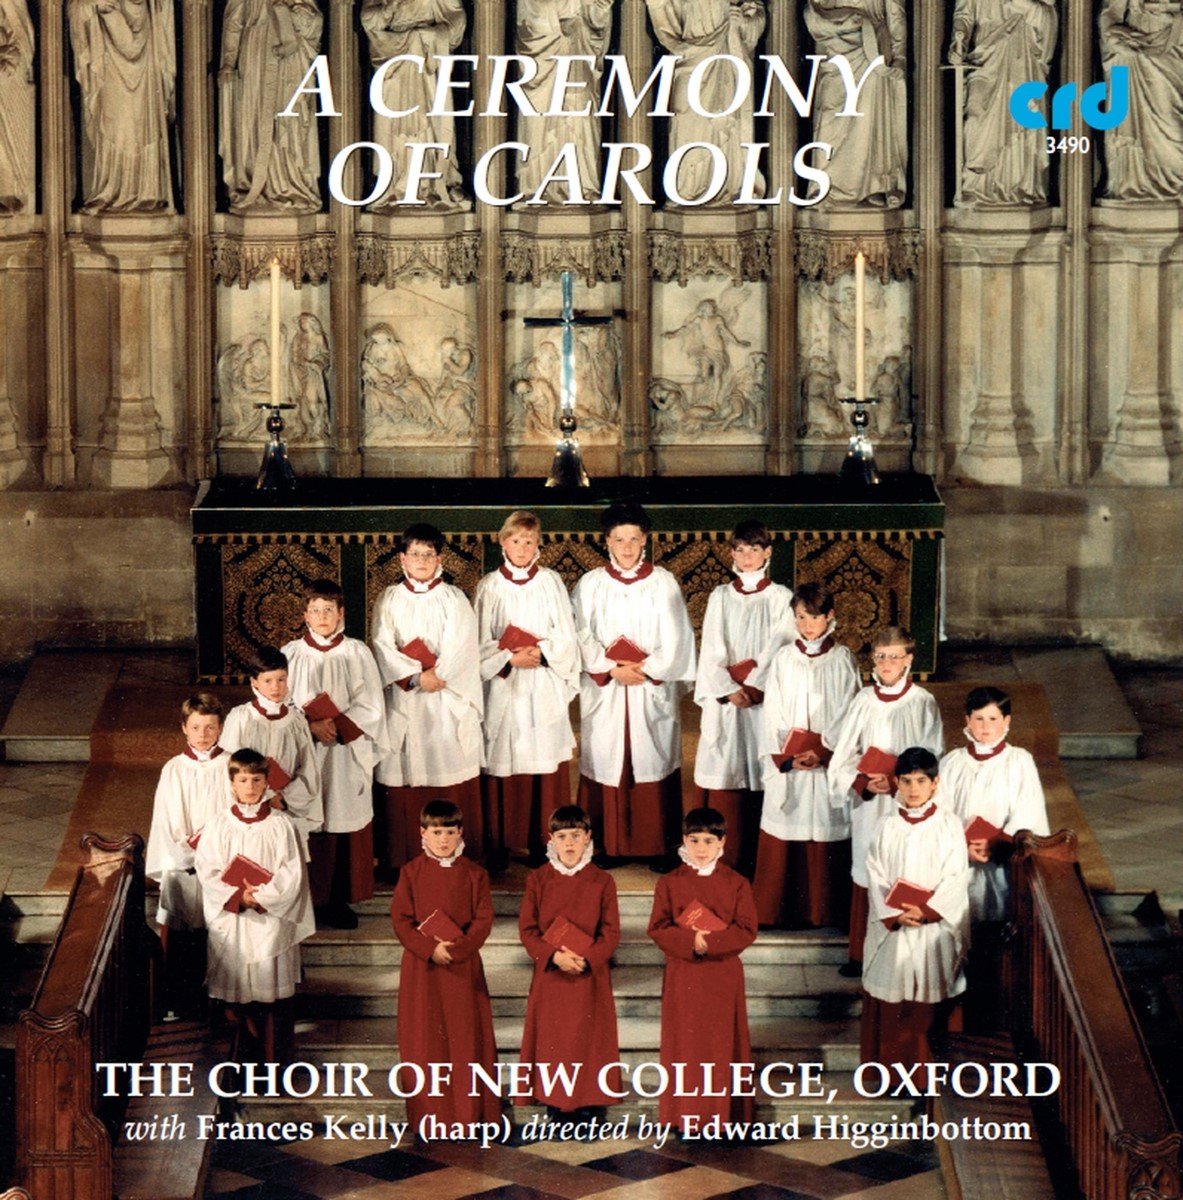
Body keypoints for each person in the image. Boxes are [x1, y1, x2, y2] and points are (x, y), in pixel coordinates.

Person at [572, 501, 696, 863]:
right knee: (606, 756)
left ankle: (657, 844)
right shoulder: (591, 584)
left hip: (647, 686)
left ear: (645, 540)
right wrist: (611, 669)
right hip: (607, 687)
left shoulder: (663, 583)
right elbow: (578, 633)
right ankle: (606, 844)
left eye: (633, 538)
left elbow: (678, 638)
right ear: (606, 541)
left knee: (650, 755)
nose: (626, 547)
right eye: (618, 539)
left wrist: (645, 669)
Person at [827, 627, 943, 974]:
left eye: (895, 656)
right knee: (868, 867)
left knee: (903, 868)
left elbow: (933, 755)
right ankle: (861, 955)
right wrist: (862, 780)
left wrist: (898, 782)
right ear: (872, 661)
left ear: (909, 659)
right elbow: (842, 756)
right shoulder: (862, 701)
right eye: (880, 656)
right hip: (870, 805)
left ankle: (903, 953)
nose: (887, 663)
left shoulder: (922, 702)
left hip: (906, 802)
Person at [371, 523, 483, 872]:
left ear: (440, 558)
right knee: (402, 769)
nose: (421, 560)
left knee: (445, 763)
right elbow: (381, 645)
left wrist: (438, 676)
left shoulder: (454, 598)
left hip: (443, 698)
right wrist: (416, 676)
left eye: (428, 554)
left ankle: (452, 853)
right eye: (415, 554)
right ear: (403, 558)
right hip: (407, 696)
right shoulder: (389, 597)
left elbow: (463, 646)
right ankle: (401, 856)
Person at [195, 748, 315, 1064]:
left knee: (269, 997)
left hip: (269, 922)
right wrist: (238, 897)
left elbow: (292, 874)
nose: (250, 786)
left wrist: (259, 898)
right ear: (232, 783)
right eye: (243, 779)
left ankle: (273, 1070)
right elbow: (207, 871)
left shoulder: (281, 825)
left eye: (257, 779)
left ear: (266, 783)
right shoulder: (218, 824)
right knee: (233, 994)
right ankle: (231, 1072)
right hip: (231, 922)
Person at [474, 511, 579, 868]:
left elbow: (566, 633)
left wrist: (542, 652)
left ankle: (541, 841)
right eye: (515, 540)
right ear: (503, 542)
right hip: (506, 683)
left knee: (542, 759)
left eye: (529, 541)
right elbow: (478, 640)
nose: (522, 548)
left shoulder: (550, 582)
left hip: (541, 682)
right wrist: (508, 657)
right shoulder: (489, 586)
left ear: (538, 546)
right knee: (503, 757)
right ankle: (501, 843)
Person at [939, 686, 1049, 1026]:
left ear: (1007, 722)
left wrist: (996, 845)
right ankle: (956, 1020)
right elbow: (938, 815)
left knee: (991, 943)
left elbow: (1028, 816)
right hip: (958, 867)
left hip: (999, 869)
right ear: (966, 721)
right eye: (978, 719)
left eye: (992, 719)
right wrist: (959, 844)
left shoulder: (1019, 762)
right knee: (956, 941)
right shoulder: (953, 762)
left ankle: (989, 1021)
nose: (985, 727)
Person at [753, 584, 861, 928]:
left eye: (814, 616)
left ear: (829, 617)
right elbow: (773, 713)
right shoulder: (784, 659)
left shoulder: (843, 659)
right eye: (801, 616)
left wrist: (826, 749)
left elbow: (850, 711)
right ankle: (780, 912)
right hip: (792, 759)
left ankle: (825, 913)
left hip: (828, 758)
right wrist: (788, 756)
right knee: (789, 822)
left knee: (827, 825)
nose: (808, 624)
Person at [282, 579, 386, 930]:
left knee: (340, 818)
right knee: (309, 817)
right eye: (315, 610)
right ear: (305, 615)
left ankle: (338, 899)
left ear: (341, 613)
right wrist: (310, 727)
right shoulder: (291, 654)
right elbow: (280, 701)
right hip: (306, 749)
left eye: (329, 609)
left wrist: (338, 726)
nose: (322, 616)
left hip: (343, 751)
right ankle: (309, 898)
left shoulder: (357, 652)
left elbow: (372, 704)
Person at [692, 519, 794, 875]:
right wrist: (726, 688)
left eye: (754, 549)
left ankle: (757, 858)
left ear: (767, 552)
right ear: (730, 553)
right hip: (729, 701)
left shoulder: (781, 598)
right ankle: (727, 856)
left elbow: (780, 647)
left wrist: (752, 687)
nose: (747, 556)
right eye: (739, 549)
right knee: (728, 769)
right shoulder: (721, 596)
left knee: (760, 768)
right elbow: (711, 649)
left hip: (762, 701)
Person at [389, 799, 500, 1127]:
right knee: (426, 1043)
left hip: (462, 967)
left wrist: (458, 948)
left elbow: (483, 919)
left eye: (449, 832)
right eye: (436, 832)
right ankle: (430, 1117)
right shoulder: (410, 873)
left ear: (459, 833)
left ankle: (468, 1116)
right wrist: (429, 949)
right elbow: (401, 919)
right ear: (423, 833)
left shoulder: (475, 875)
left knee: (466, 1042)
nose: (443, 840)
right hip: (423, 970)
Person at [648, 806, 758, 1131]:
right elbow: (657, 927)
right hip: (685, 974)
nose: (700, 848)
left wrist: (711, 943)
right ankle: (686, 1118)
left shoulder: (737, 883)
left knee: (723, 1048)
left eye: (708, 841)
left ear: (722, 843)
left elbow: (747, 929)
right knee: (686, 1048)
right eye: (694, 840)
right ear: (684, 840)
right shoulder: (669, 883)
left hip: (722, 975)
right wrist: (690, 941)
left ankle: (724, 1119)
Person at [860, 747, 970, 1065]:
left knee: (929, 997)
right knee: (894, 997)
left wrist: (926, 911)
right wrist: (894, 913)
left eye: (921, 781)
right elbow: (875, 871)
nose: (913, 789)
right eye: (906, 781)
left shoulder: (949, 825)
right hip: (895, 928)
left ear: (935, 783)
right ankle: (892, 1076)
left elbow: (956, 876)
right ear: (896, 782)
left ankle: (928, 1082)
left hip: (932, 926)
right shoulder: (885, 825)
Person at [518, 804, 621, 1116]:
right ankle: (556, 1108)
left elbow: (611, 931)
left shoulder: (602, 881)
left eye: (576, 835)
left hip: (589, 975)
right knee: (554, 1042)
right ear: (552, 840)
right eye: (562, 836)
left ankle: (591, 1108)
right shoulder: (538, 879)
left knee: (590, 1042)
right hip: (552, 975)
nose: (569, 843)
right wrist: (553, 957)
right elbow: (528, 930)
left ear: (588, 837)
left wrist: (588, 959)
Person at [145, 692, 227, 1017]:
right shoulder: (174, 769)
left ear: (220, 728)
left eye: (210, 727)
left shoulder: (230, 765)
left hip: (220, 865)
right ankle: (183, 1002)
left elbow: (234, 814)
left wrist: (211, 848)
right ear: (184, 728)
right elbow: (165, 822)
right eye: (196, 727)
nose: (203, 735)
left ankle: (216, 1000)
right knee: (183, 937)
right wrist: (188, 849)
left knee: (218, 933)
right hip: (183, 865)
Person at [221, 645, 323, 854]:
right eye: (268, 681)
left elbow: (309, 771)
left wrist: (284, 798)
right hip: (250, 805)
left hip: (288, 807)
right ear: (254, 682)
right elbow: (228, 767)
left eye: (281, 679)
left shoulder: (296, 721)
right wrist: (267, 795)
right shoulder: (241, 717)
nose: (275, 687)